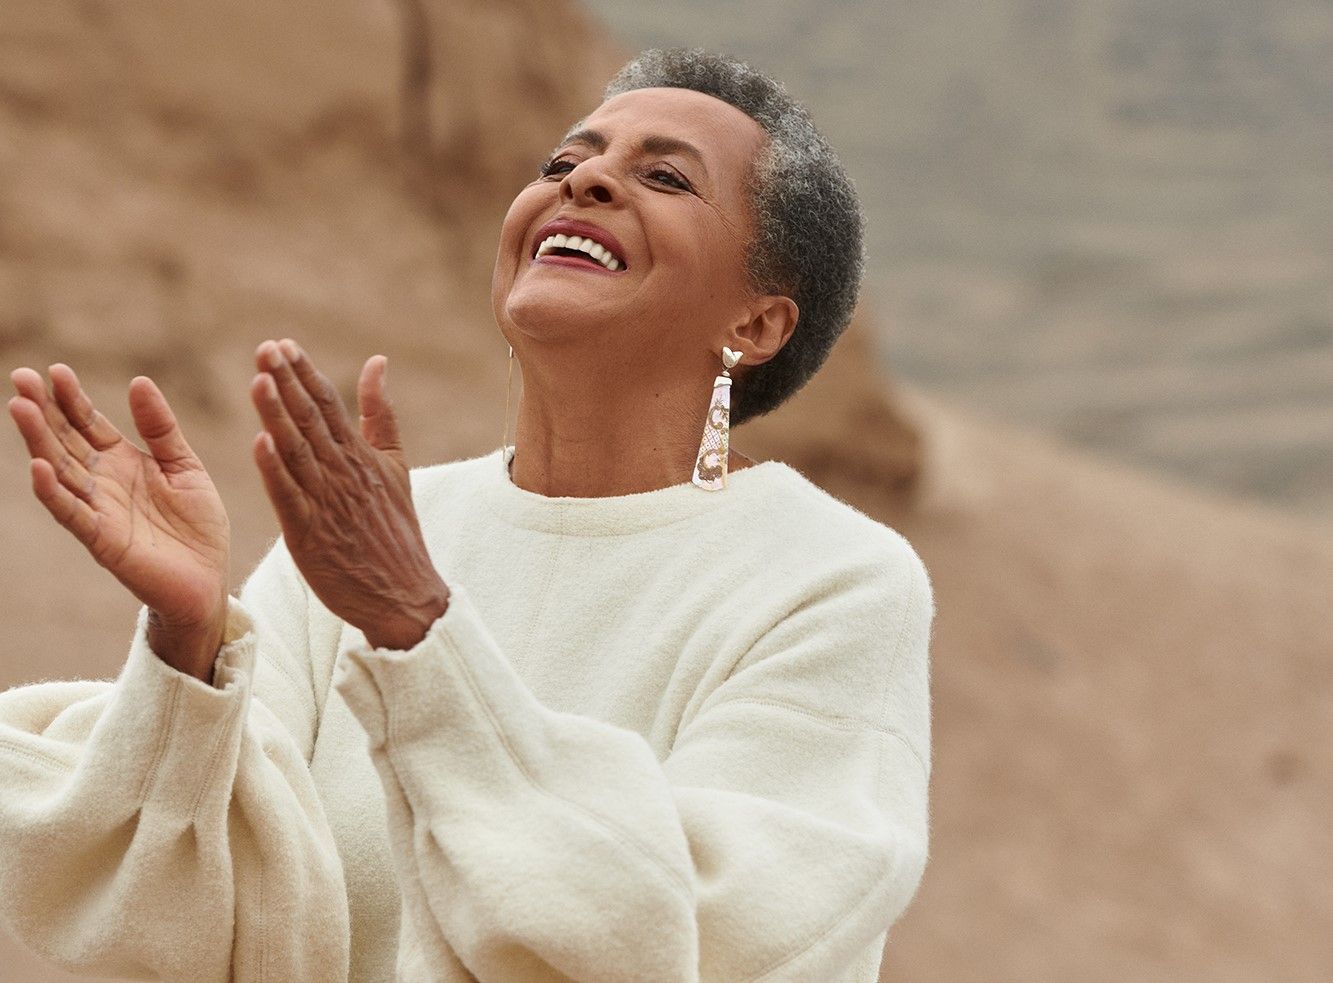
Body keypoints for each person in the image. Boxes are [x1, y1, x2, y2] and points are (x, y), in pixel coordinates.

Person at [0, 48, 934, 982]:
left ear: (756, 326)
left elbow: (690, 931)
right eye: (563, 164)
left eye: (662, 177)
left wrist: (419, 630)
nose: (588, 180)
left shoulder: (832, 581)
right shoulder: (372, 535)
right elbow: (206, 919)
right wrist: (190, 643)